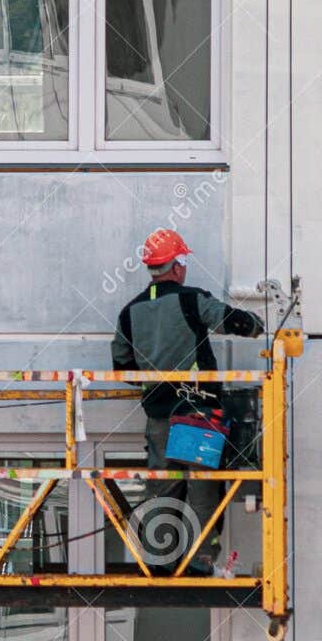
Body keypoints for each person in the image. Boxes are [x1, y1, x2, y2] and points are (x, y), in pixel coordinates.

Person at [110, 228, 264, 573]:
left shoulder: (129, 312)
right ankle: (199, 563)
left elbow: (122, 364)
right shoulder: (190, 299)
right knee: (203, 489)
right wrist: (255, 323)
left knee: (163, 487)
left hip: (159, 417)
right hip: (197, 416)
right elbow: (230, 320)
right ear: (177, 265)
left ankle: (161, 564)